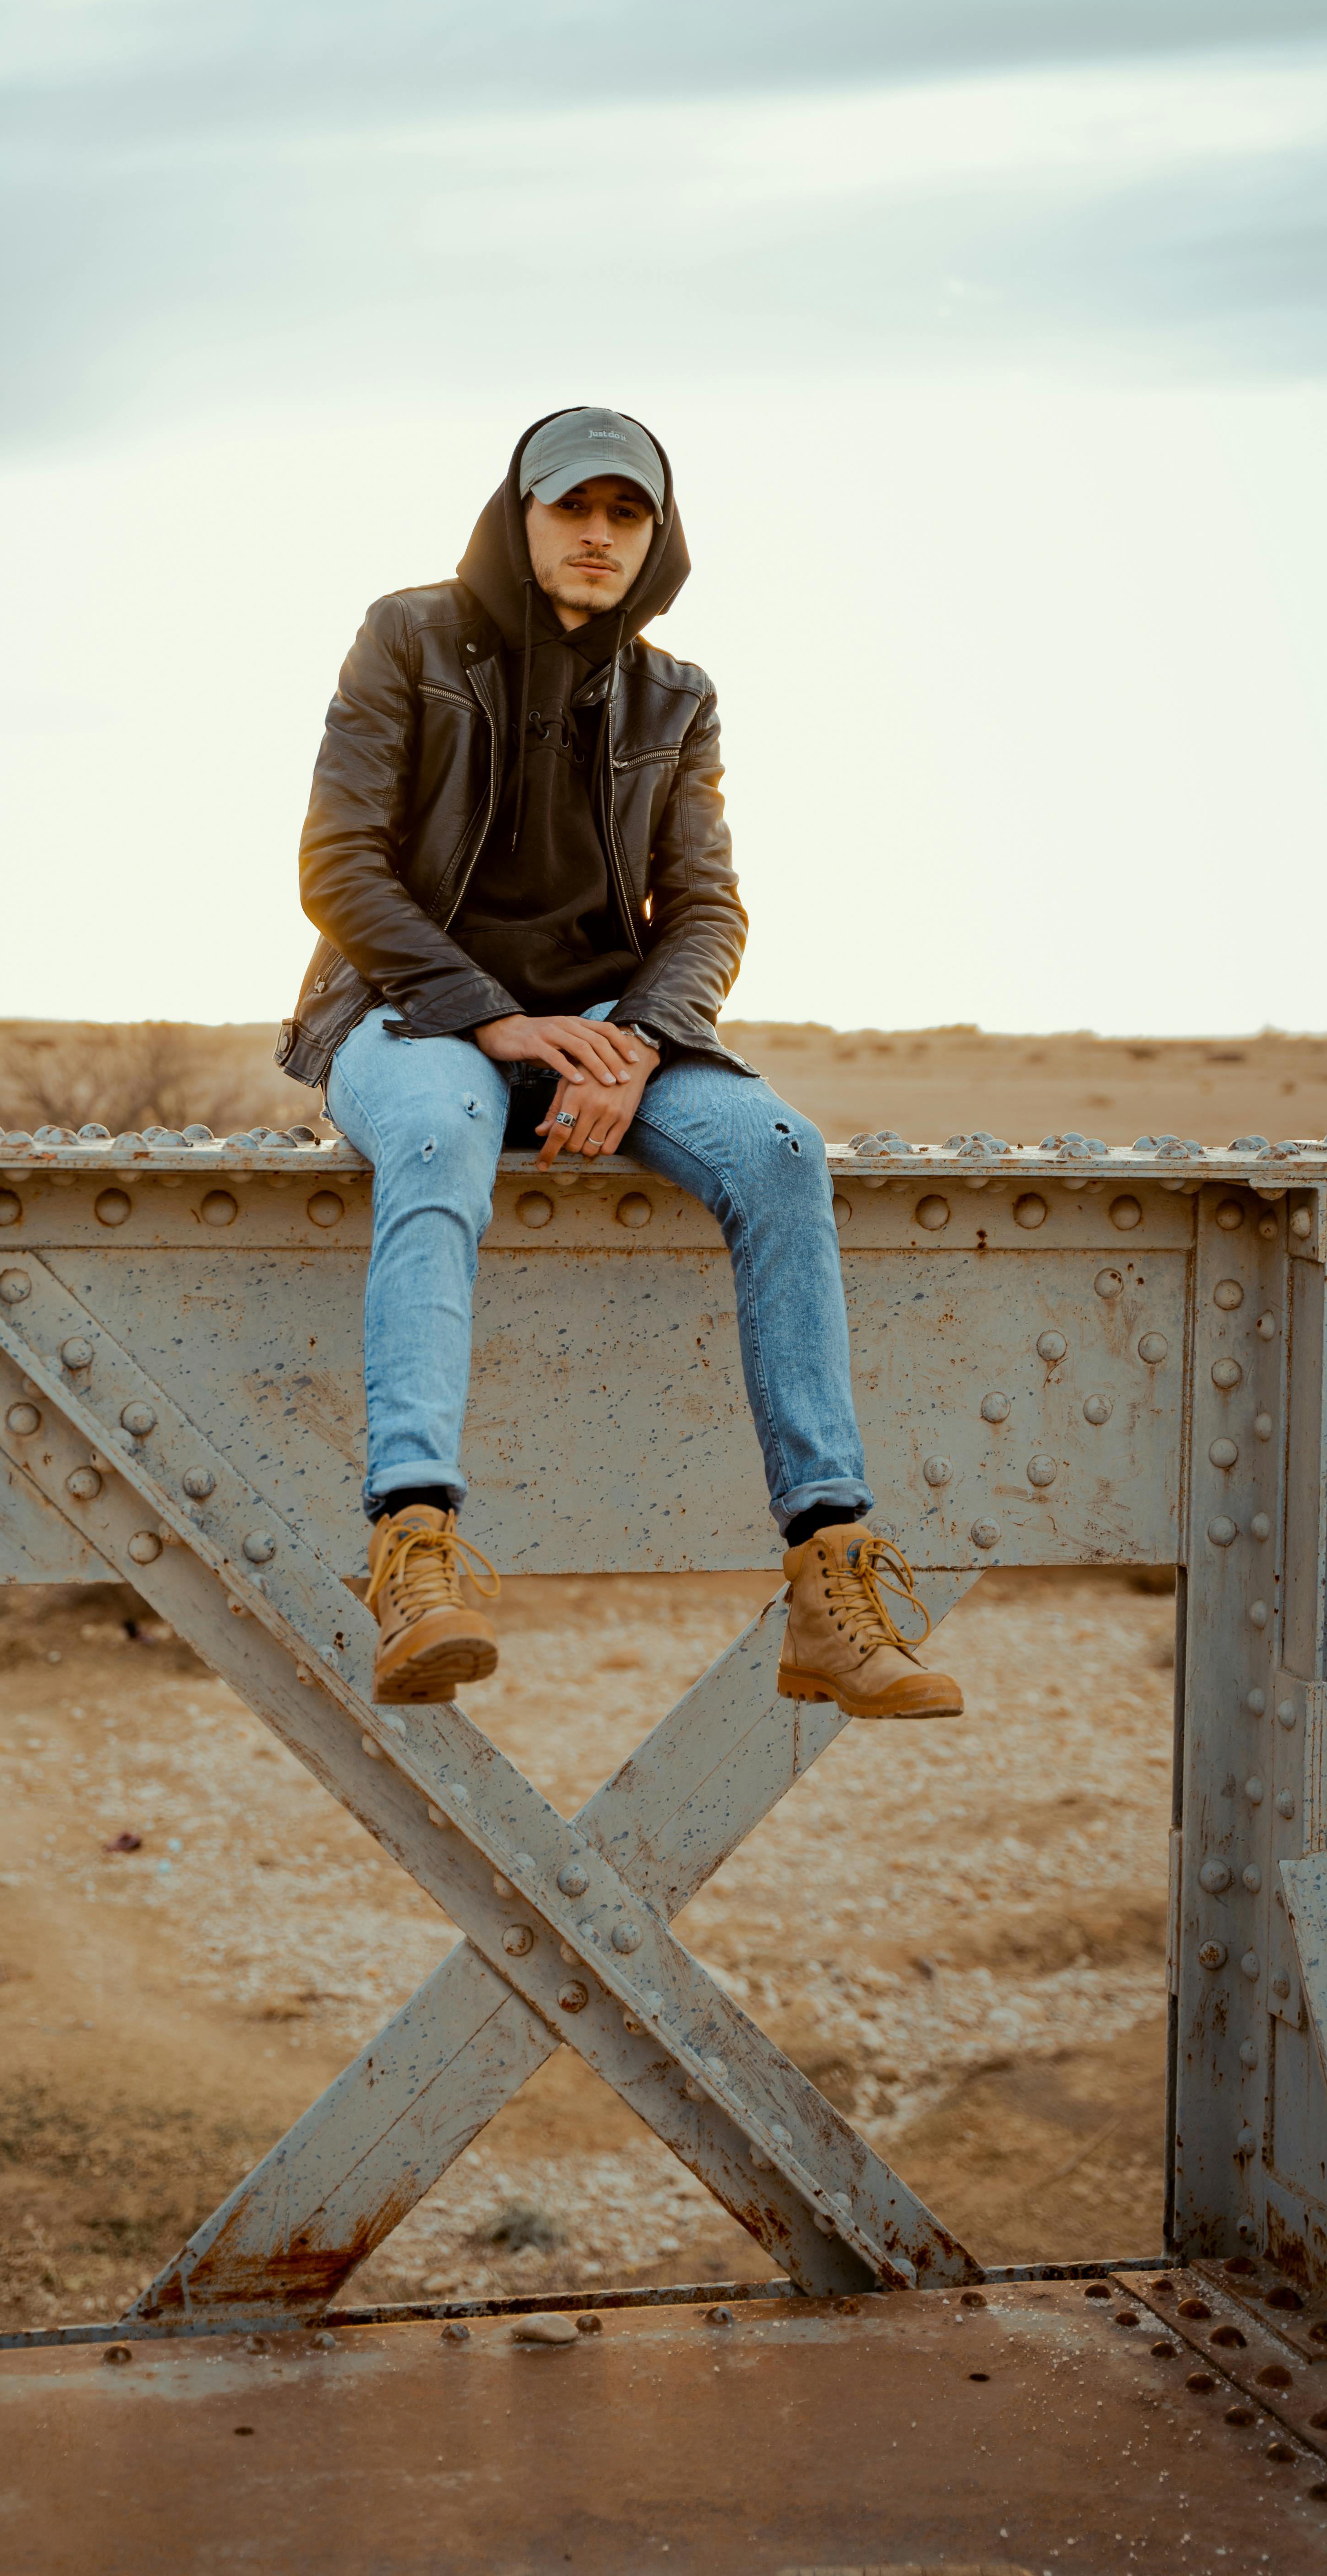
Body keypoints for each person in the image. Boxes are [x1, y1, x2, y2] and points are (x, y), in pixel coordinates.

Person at [276, 406, 959, 1723]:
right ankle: (414, 1548)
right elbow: (339, 863)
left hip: (608, 1025)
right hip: (412, 1014)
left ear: (656, 535)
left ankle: (829, 1573)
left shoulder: (677, 694)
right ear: (518, 514)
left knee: (779, 1152)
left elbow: (707, 909)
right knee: (438, 1136)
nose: (598, 535)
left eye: (625, 514)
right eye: (571, 507)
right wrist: (492, 1018)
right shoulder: (407, 638)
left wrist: (639, 1043)